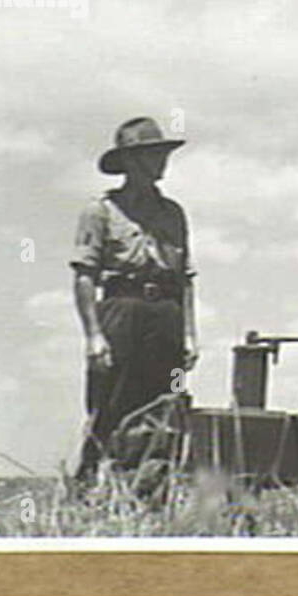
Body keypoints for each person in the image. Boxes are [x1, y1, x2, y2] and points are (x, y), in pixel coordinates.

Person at [71, 117, 198, 484]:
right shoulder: (100, 211)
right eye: (151, 155)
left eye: (162, 154)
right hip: (120, 311)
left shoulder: (173, 213)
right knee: (108, 404)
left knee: (166, 404)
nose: (161, 162)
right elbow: (84, 276)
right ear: (129, 162)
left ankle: (150, 492)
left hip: (167, 316)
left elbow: (186, 279)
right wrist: (94, 336)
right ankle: (88, 489)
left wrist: (189, 334)